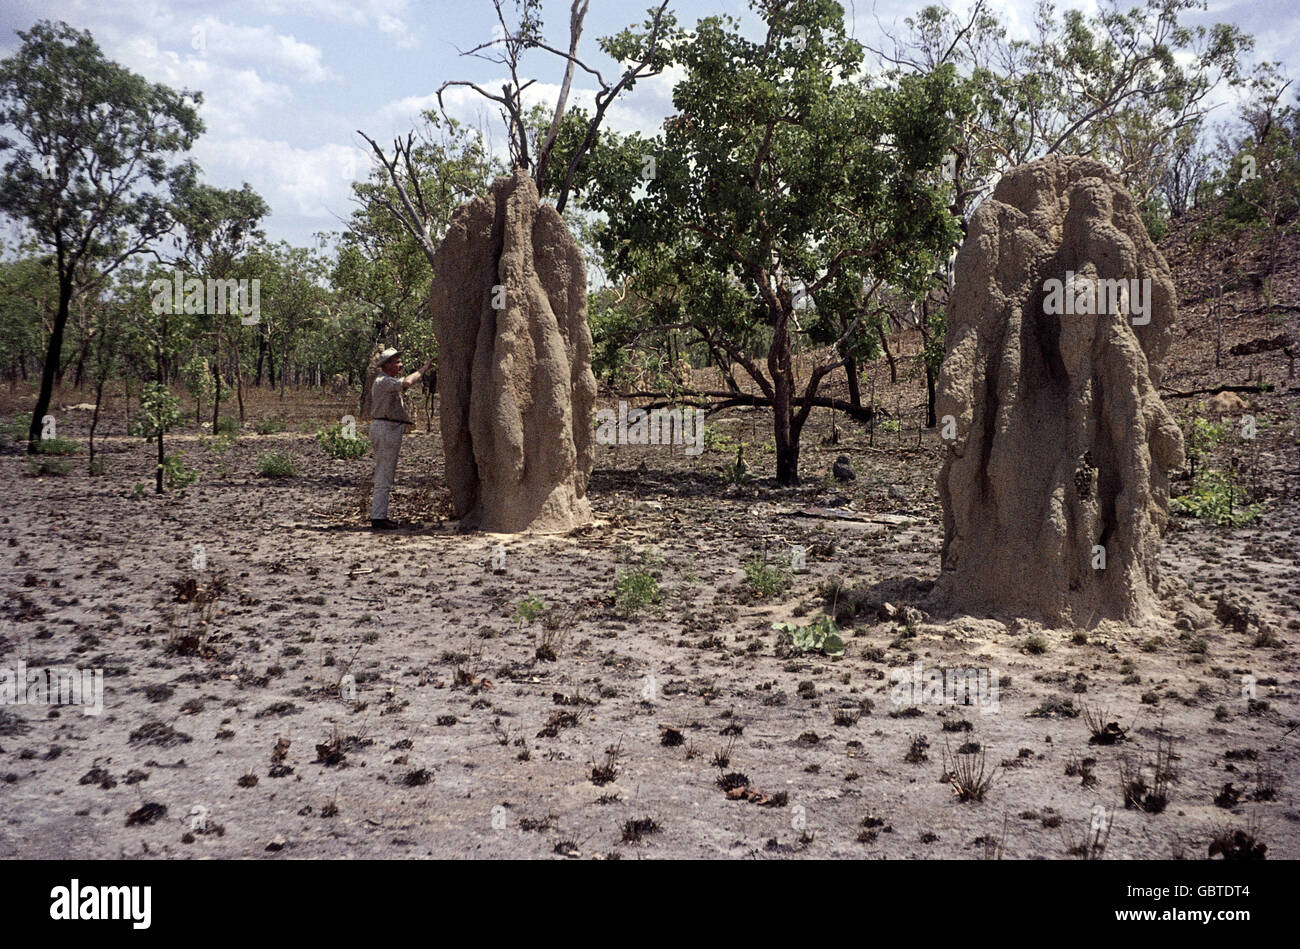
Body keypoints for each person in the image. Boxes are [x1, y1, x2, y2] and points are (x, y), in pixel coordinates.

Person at [368, 347, 433, 530]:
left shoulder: (386, 380)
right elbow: (406, 383)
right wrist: (424, 368)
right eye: (396, 362)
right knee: (384, 474)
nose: (400, 364)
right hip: (386, 428)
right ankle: (378, 518)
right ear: (387, 365)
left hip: (388, 427)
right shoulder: (384, 381)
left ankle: (379, 516)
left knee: (385, 473)